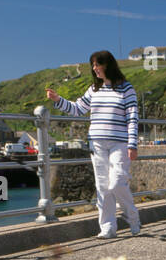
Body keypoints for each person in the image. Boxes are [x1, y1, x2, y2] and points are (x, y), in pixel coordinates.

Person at [46, 50, 140, 239]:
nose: (95, 69)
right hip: (96, 143)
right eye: (93, 66)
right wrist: (58, 100)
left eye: (98, 64)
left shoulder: (126, 89)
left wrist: (133, 144)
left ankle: (132, 215)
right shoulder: (93, 89)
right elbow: (78, 109)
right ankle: (107, 227)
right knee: (103, 186)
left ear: (108, 65)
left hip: (119, 143)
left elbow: (132, 118)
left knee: (117, 182)